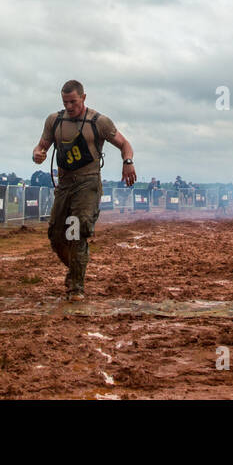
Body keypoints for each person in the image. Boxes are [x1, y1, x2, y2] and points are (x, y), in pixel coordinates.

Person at [32, 80, 135, 302]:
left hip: (88, 183)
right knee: (57, 235)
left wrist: (128, 161)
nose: (69, 107)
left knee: (76, 230)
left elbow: (125, 144)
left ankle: (76, 287)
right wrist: (37, 154)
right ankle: (77, 268)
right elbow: (41, 146)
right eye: (65, 102)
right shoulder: (54, 120)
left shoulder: (99, 122)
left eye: (74, 102)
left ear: (84, 98)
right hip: (64, 183)